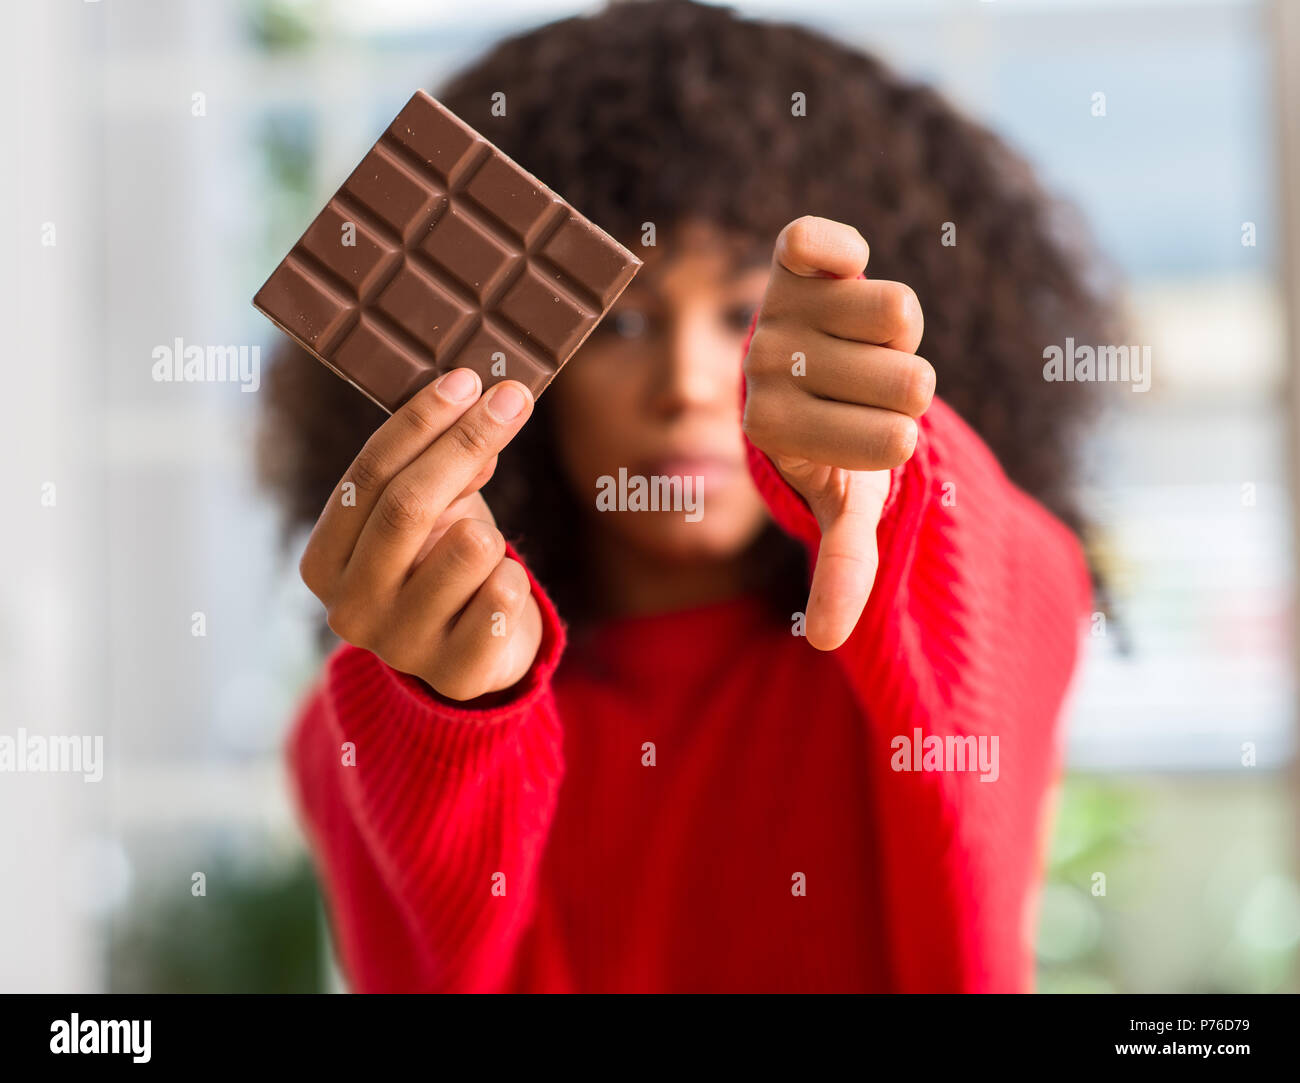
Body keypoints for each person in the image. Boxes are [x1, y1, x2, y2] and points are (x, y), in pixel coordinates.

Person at [258, 0, 1117, 992]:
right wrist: (448, 717)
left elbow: (1014, 591)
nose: (687, 382)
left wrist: (892, 463)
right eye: (622, 325)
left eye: (745, 313)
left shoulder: (902, 664)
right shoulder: (368, 725)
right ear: (527, 366)